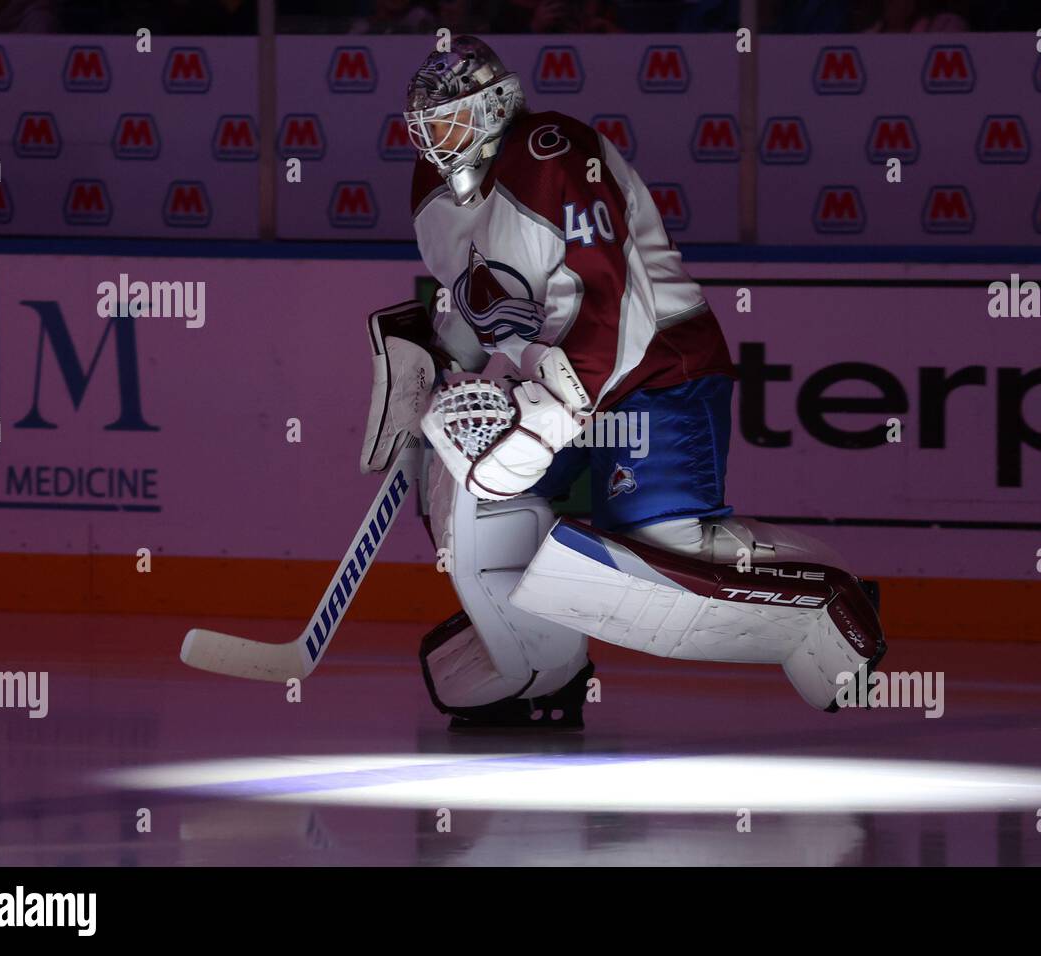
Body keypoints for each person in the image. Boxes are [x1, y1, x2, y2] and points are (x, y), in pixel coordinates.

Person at [361, 36, 885, 729]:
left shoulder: (553, 154)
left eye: (453, 117)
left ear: (496, 105)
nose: (436, 136)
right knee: (470, 494)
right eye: (429, 122)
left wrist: (542, 418)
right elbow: (472, 304)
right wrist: (433, 375)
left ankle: (824, 602)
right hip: (561, 389)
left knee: (654, 558)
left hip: (654, 375)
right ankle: (537, 670)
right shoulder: (430, 189)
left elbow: (607, 306)